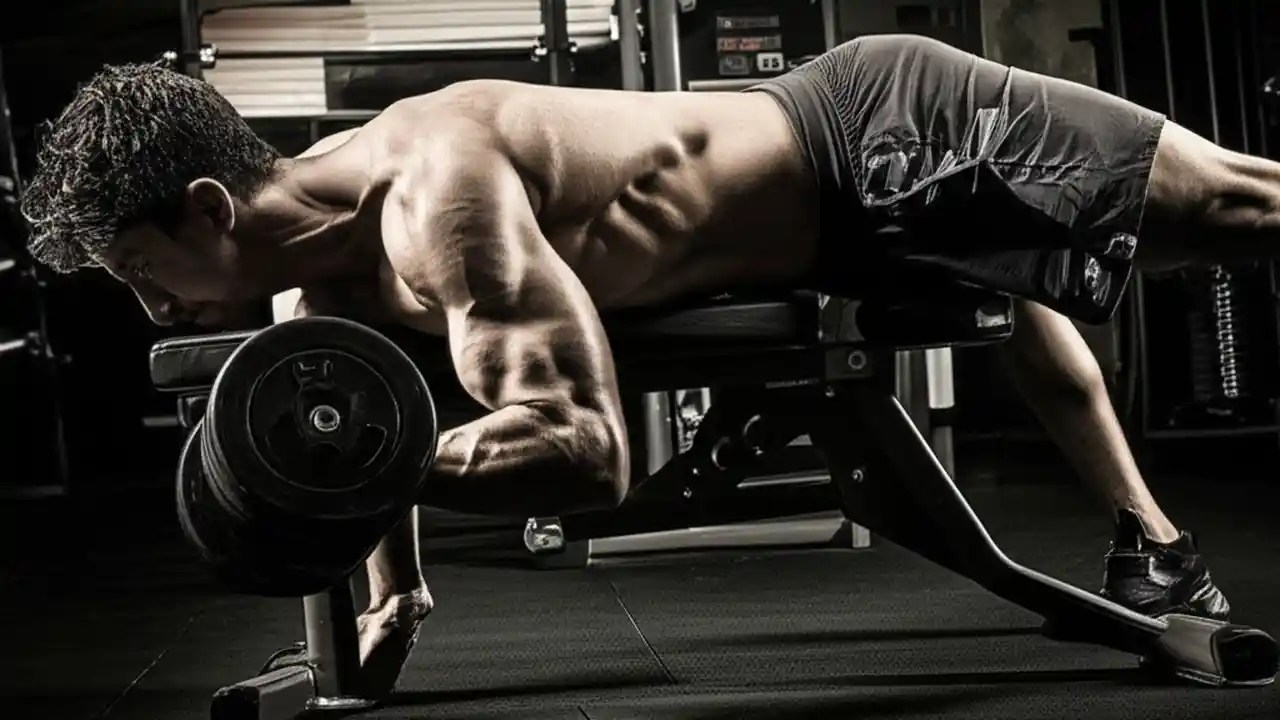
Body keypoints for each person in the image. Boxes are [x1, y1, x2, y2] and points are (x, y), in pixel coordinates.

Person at [19, 33, 1254, 694]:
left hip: (882, 131)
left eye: (142, 269)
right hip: (833, 244)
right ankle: (1153, 555)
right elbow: (363, 405)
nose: (148, 311)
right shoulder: (311, 287)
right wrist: (391, 592)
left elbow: (588, 454)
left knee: (1238, 211)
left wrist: (368, 470)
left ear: (207, 207)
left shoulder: (436, 191)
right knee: (1026, 296)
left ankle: (1152, 539)